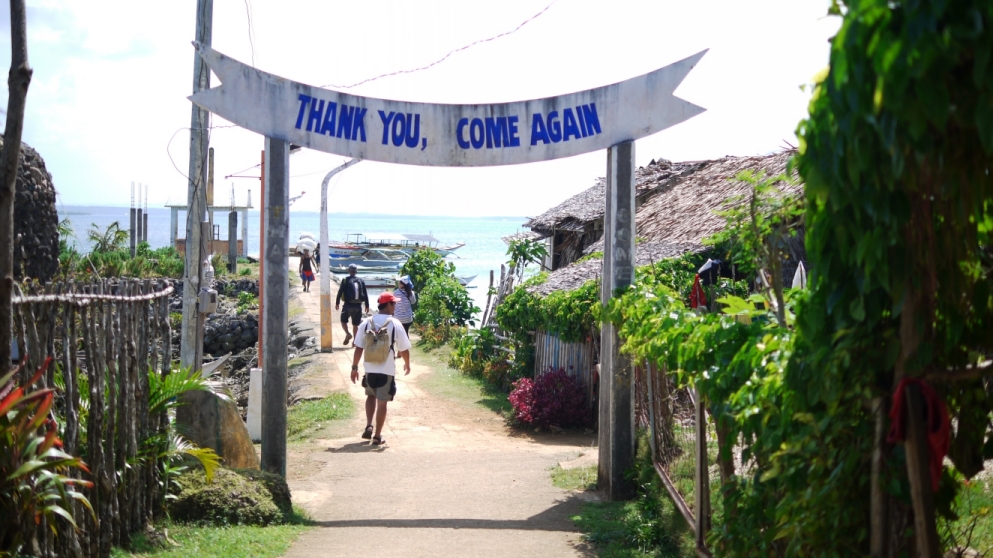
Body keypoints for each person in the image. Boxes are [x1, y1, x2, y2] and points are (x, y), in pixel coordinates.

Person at [351, 292, 411, 446]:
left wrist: (354, 367)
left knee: (370, 397)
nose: (395, 307)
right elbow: (404, 348)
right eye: (394, 304)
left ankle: (369, 425)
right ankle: (377, 436)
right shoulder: (395, 323)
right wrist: (407, 363)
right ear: (389, 305)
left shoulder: (366, 322)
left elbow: (358, 347)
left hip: (369, 369)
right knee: (382, 403)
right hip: (386, 370)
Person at [335, 263, 369, 345]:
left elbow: (340, 292)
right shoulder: (361, 280)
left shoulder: (345, 280)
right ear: (356, 272)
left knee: (343, 321)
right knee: (355, 324)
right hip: (358, 306)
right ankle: (355, 342)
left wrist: (337, 303)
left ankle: (347, 333)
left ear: (349, 271)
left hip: (348, 305)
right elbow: (365, 293)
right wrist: (367, 305)